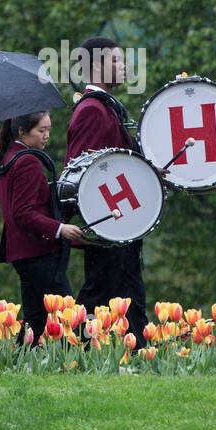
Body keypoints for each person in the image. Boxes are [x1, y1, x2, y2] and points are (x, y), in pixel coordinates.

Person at [65, 36, 149, 340]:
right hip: (109, 225)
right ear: (96, 67)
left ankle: (134, 353)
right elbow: (81, 172)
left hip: (119, 222)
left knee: (120, 295)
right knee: (101, 295)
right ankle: (72, 348)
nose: (124, 66)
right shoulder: (92, 110)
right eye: (116, 60)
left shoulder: (106, 108)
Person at [0, 111, 84, 342]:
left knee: (35, 319)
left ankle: (23, 361)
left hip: (21, 252)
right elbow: (23, 213)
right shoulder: (28, 162)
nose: (47, 136)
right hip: (38, 253)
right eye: (41, 130)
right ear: (22, 131)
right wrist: (60, 228)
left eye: (49, 130)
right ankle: (77, 362)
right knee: (67, 317)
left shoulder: (9, 156)